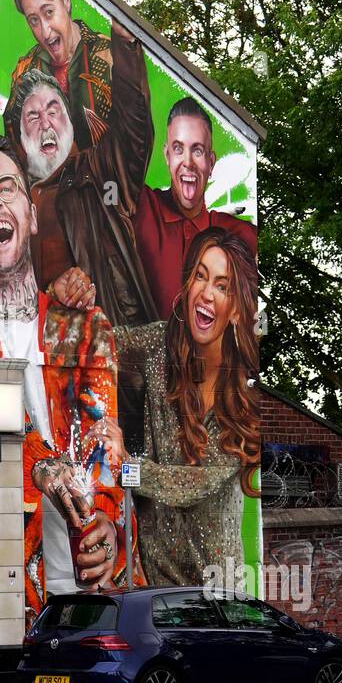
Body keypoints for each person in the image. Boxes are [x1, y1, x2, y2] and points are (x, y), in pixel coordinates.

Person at [0, 134, 145, 621]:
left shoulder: (86, 325)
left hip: (95, 559)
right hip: (17, 571)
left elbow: (101, 428)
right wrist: (40, 465)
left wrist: (106, 512)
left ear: (31, 211)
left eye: (7, 187)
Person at [112, 228, 261, 586]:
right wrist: (72, 301)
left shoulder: (244, 401)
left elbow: (190, 485)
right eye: (200, 276)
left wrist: (126, 467)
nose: (207, 294)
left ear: (238, 309)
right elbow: (100, 342)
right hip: (154, 589)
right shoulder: (162, 343)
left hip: (217, 598)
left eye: (223, 287)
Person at [6, 19, 157, 331]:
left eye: (53, 111)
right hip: (35, 368)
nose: (45, 124)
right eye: (33, 116)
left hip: (109, 362)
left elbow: (133, 126)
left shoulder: (100, 173)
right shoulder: (9, 203)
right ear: (20, 135)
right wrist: (49, 293)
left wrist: (125, 45)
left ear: (71, 125)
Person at [131, 96, 259, 320]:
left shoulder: (235, 233)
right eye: (178, 149)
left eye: (197, 151)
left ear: (211, 163)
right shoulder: (144, 206)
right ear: (167, 156)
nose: (188, 161)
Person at [5, 0, 114, 151]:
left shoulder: (109, 55)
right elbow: (14, 143)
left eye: (49, 12)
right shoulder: (25, 71)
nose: (45, 32)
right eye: (34, 20)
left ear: (66, 0)